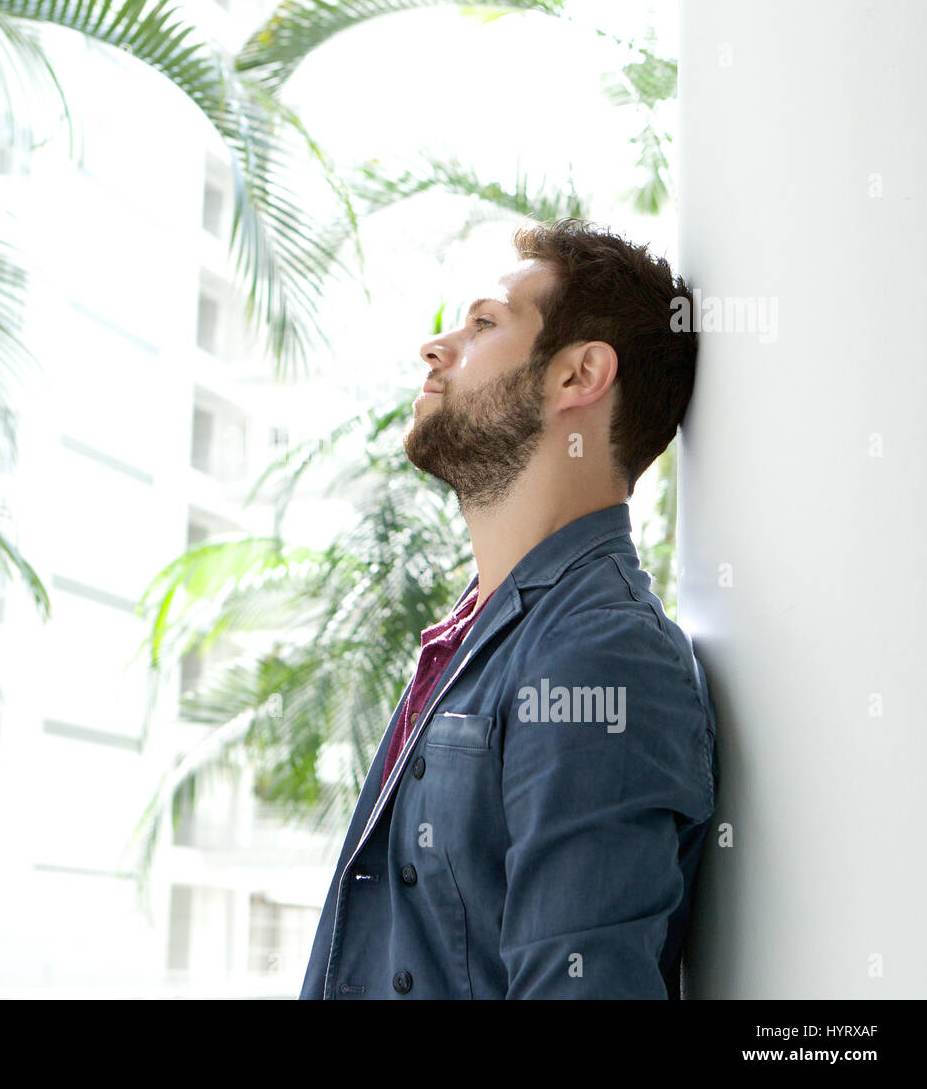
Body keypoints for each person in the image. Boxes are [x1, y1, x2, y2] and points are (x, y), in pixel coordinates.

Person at [299, 217, 717, 1000]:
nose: (435, 348)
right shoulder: (477, 633)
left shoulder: (601, 655)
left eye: (483, 322)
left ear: (578, 374)